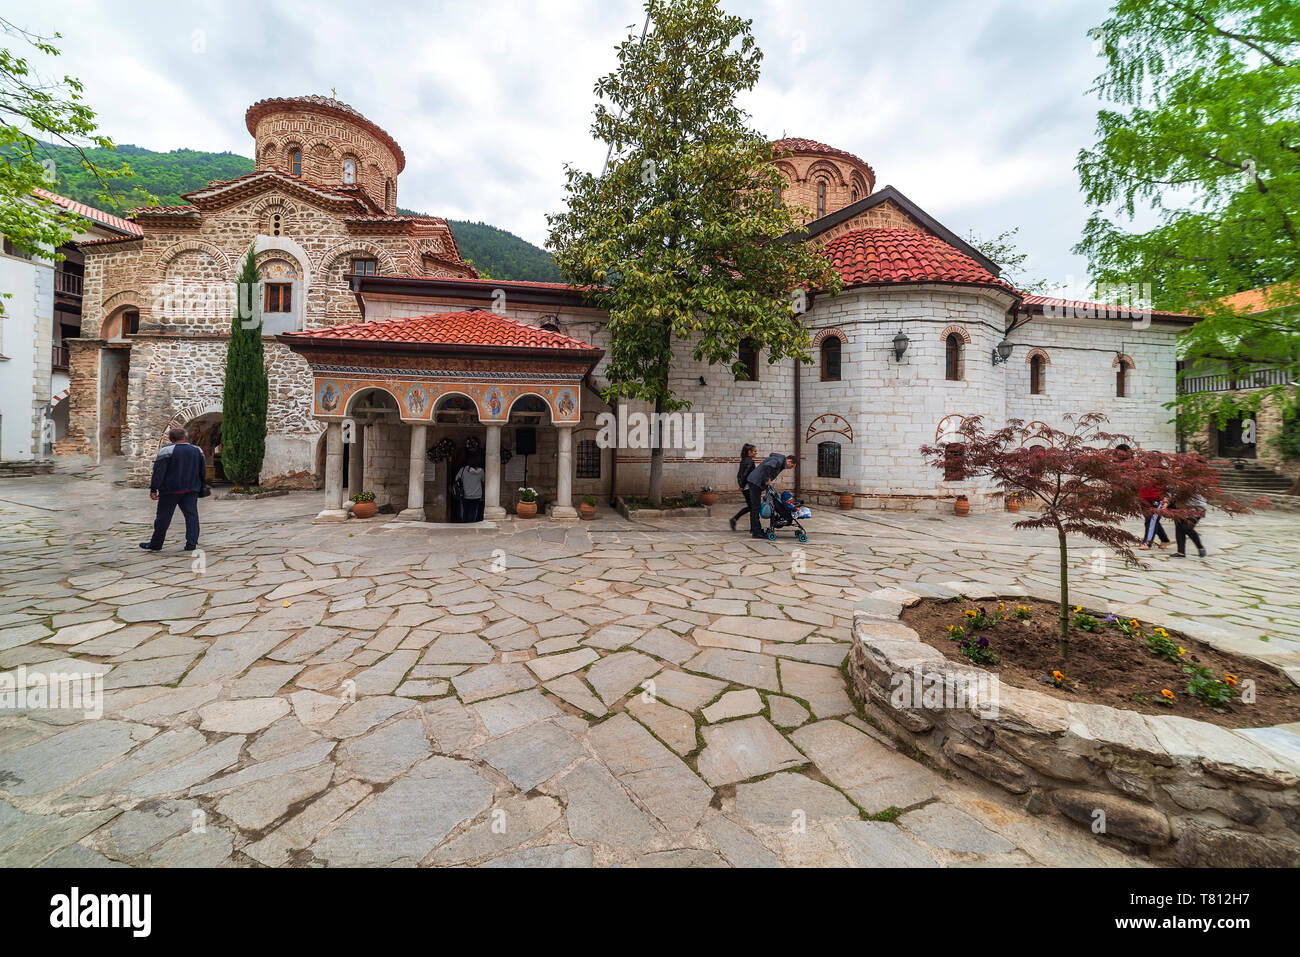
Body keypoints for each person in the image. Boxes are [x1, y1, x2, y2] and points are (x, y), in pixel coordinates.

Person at [141, 427, 206, 551]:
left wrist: (154, 488)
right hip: (191, 488)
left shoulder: (166, 451)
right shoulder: (197, 450)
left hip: (170, 489)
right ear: (186, 437)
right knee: (192, 516)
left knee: (163, 518)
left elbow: (159, 472)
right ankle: (191, 543)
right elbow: (202, 470)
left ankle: (156, 544)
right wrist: (201, 485)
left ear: (170, 438)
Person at [746, 452, 796, 539]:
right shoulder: (779, 460)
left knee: (755, 507)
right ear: (789, 461)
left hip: (755, 482)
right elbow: (767, 467)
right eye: (792, 466)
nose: (790, 468)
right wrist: (767, 479)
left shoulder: (779, 461)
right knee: (756, 507)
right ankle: (756, 532)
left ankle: (754, 528)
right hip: (755, 482)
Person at [1169, 490, 1208, 559]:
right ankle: (1181, 552)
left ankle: (1200, 547)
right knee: (1179, 528)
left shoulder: (1194, 482)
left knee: (1187, 528)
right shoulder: (1175, 483)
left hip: (1197, 509)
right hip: (1180, 508)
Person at [729, 443, 757, 531]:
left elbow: (739, 475)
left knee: (751, 507)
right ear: (750, 452)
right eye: (755, 451)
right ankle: (753, 528)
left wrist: (741, 485)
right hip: (747, 487)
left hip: (744, 486)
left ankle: (735, 519)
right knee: (753, 507)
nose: (756, 453)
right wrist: (742, 485)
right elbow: (745, 474)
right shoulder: (750, 461)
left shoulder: (744, 460)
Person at [456, 455, 485, 523]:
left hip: (466, 494)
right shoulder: (481, 471)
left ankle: (465, 523)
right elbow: (483, 481)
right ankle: (473, 523)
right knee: (474, 510)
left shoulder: (462, 470)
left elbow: (456, 479)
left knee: (465, 510)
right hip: (477, 494)